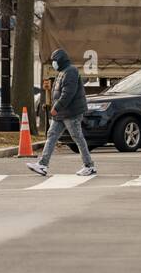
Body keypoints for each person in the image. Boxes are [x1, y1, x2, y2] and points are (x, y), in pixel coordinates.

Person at [25, 47, 96, 177]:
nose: (53, 63)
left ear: (61, 60)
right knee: (52, 135)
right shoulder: (63, 71)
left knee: (77, 137)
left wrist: (56, 107)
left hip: (71, 112)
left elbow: (68, 93)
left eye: (55, 60)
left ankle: (89, 166)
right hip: (63, 113)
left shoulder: (71, 71)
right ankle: (43, 165)